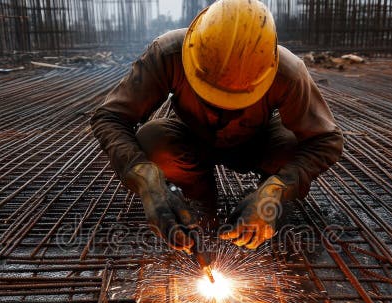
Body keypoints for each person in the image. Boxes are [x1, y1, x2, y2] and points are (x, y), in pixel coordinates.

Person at [91, 0, 343, 252]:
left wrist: (277, 189)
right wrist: (145, 179)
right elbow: (110, 117)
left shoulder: (289, 72)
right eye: (211, 95)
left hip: (258, 142)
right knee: (154, 143)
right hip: (193, 140)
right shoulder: (168, 54)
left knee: (291, 146)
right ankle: (199, 199)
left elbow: (326, 140)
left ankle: (267, 206)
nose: (224, 110)